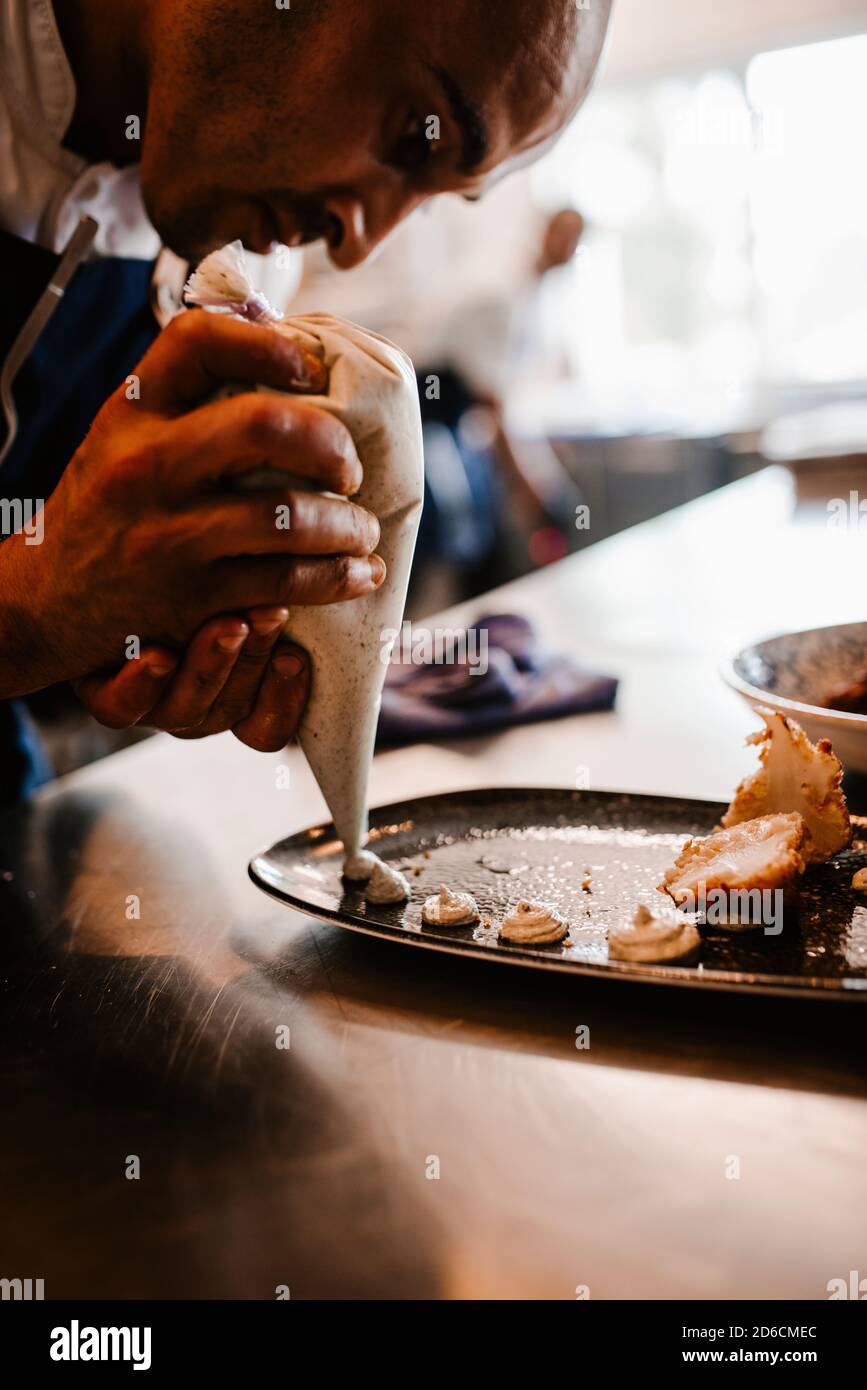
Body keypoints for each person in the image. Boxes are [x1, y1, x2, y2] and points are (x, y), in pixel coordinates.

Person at [0, 0, 611, 799]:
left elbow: (79, 631)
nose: (358, 243)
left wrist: (149, 635)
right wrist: (38, 609)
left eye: (432, 191)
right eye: (411, 128)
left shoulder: (246, 266)